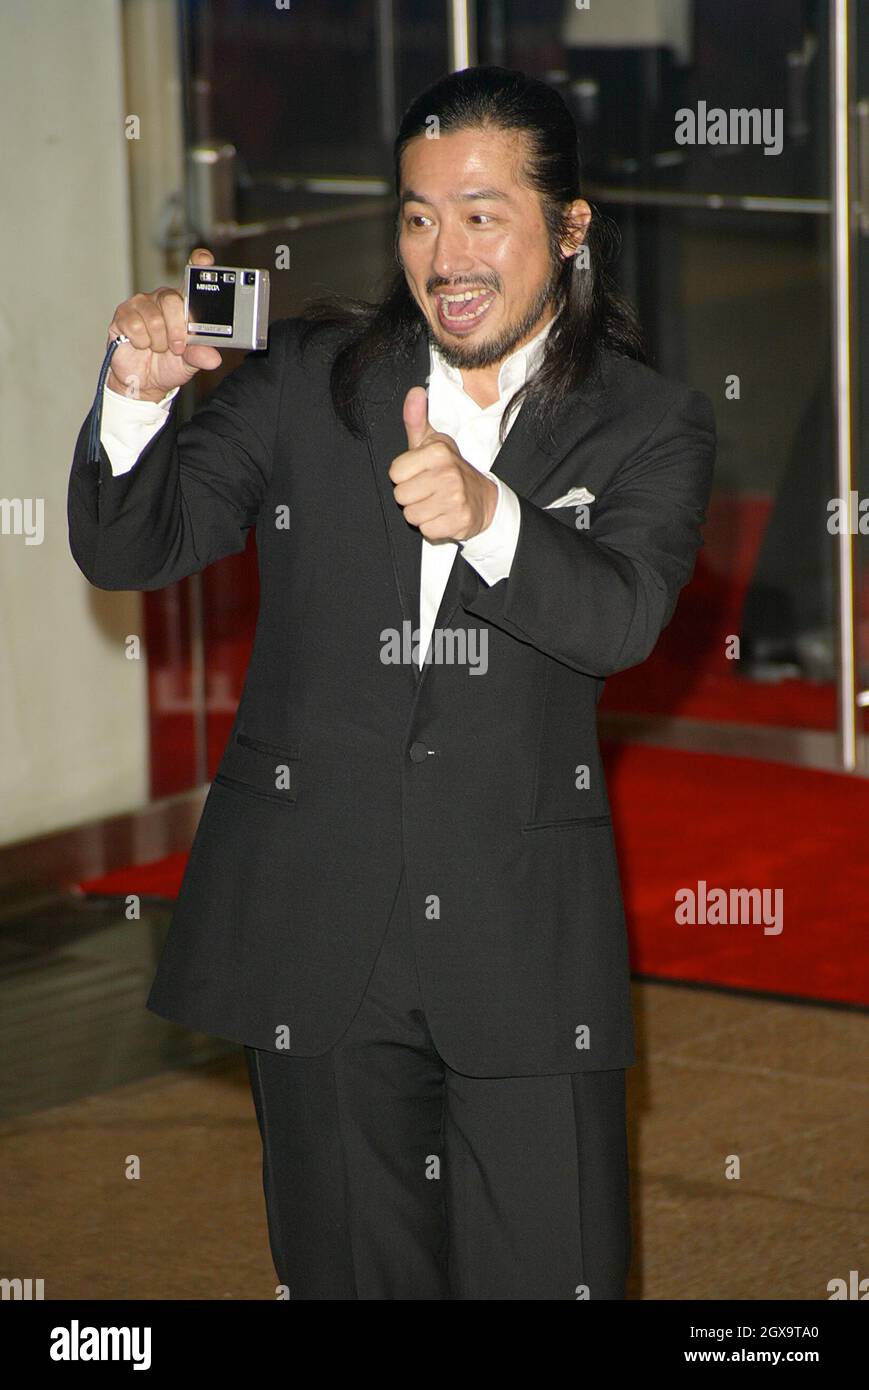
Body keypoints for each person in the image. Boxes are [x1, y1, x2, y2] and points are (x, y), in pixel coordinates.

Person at [69, 66, 715, 1300]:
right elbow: (131, 544)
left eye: (482, 213)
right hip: (318, 926)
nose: (443, 252)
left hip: (520, 940)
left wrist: (488, 516)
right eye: (418, 215)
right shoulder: (312, 374)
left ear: (568, 227)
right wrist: (140, 398)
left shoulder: (646, 422)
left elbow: (620, 616)